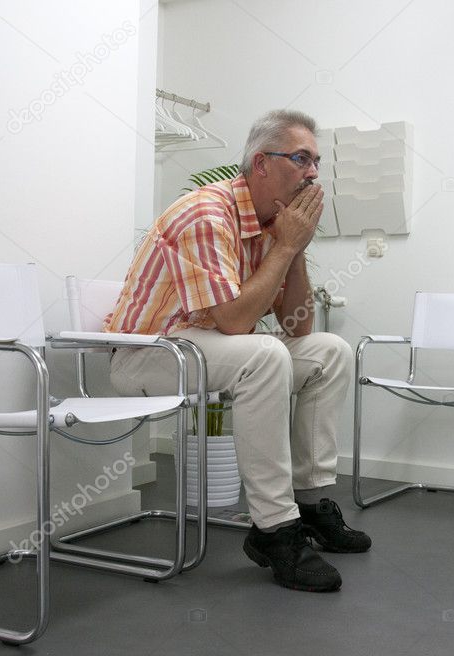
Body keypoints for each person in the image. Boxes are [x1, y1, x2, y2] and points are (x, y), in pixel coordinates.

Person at [103, 109, 370, 592]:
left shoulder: (273, 224)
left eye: (316, 161)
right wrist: (284, 248)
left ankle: (310, 504)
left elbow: (299, 325)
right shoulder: (206, 213)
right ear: (261, 163)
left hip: (207, 350)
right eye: (301, 158)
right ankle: (275, 528)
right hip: (148, 356)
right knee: (264, 354)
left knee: (329, 351)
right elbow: (235, 322)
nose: (312, 172)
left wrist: (295, 247)